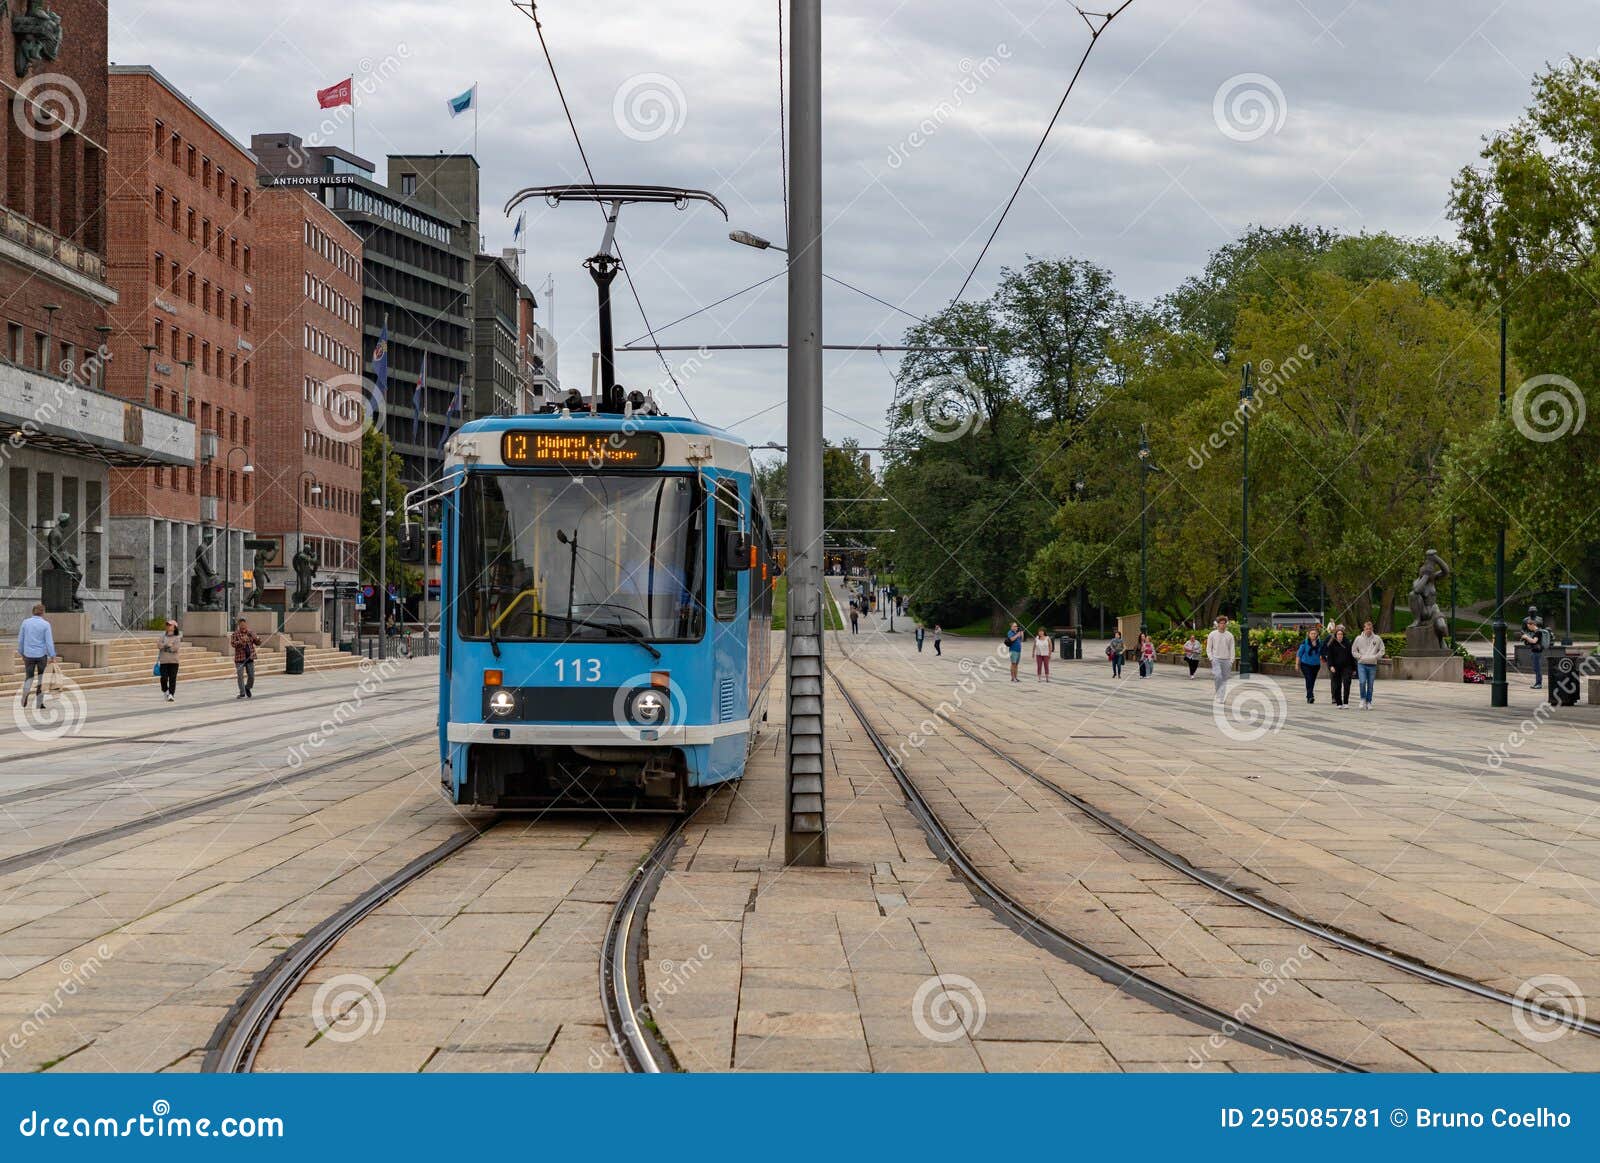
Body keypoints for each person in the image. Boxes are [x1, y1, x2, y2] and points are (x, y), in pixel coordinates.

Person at [16, 603, 59, 710]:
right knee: (41, 679)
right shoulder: (45, 624)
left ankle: (25, 693)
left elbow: (21, 639)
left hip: (28, 655)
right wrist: (52, 655)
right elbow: (49, 642)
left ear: (33, 612)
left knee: (29, 677)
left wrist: (21, 652)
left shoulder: (25, 623)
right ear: (43, 612)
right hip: (41, 656)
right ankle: (39, 703)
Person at [1351, 619, 1385, 709]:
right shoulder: (1358, 638)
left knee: (1370, 684)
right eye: (1367, 628)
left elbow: (1382, 650)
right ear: (1364, 629)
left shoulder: (1377, 638)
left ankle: (1369, 701)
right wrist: (1360, 657)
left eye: (1370, 628)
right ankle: (1362, 699)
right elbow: (1353, 651)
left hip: (1372, 664)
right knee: (1362, 682)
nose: (1368, 630)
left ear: (1372, 628)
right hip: (1362, 664)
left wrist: (1375, 657)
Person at [1324, 625, 1356, 709]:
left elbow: (1351, 656)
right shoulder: (1331, 644)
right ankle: (1339, 702)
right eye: (1338, 634)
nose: (1340, 636)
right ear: (1336, 635)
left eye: (1341, 634)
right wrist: (1331, 666)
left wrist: (1354, 668)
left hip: (1347, 667)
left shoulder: (1348, 643)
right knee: (1337, 685)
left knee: (1346, 684)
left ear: (1343, 635)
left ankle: (1346, 702)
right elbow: (1330, 657)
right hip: (1336, 667)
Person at [1205, 615, 1234, 700]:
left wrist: (1231, 661)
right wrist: (1211, 658)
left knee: (1224, 680)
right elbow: (1208, 648)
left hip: (1227, 660)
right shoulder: (1212, 634)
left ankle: (1221, 697)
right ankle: (1218, 693)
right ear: (1217, 624)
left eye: (1224, 623)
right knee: (1218, 676)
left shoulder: (1230, 635)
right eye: (1221, 623)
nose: (1223, 625)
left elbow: (1232, 649)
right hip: (1216, 659)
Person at [231, 618, 261, 700]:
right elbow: (233, 644)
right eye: (241, 624)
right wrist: (241, 641)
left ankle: (247, 687)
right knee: (240, 676)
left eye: (244, 624)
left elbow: (258, 643)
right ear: (239, 625)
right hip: (239, 658)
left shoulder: (251, 633)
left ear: (246, 624)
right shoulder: (235, 634)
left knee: (251, 676)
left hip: (250, 657)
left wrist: (257, 638)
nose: (243, 626)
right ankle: (242, 693)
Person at [1297, 625, 1324, 704]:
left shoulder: (1320, 643)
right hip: (1305, 664)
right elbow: (1299, 654)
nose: (1313, 635)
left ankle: (1309, 695)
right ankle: (1310, 696)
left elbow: (1322, 652)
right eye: (1312, 633)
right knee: (1308, 679)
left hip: (1316, 665)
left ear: (1317, 635)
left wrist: (1323, 656)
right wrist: (1297, 664)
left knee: (1312, 680)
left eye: (1315, 633)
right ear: (1308, 634)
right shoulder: (1305, 642)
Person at [157, 620, 183, 702]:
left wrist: (165, 647)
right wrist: (166, 645)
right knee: (163, 678)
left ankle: (171, 694)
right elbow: (159, 645)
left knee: (172, 678)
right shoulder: (163, 636)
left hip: (174, 661)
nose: (168, 626)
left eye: (170, 625)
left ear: (174, 627)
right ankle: (165, 690)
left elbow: (175, 648)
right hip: (163, 661)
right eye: (167, 625)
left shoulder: (177, 637)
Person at [1519, 616, 1544, 689]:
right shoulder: (1536, 632)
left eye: (1529, 627)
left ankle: (1539, 684)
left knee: (1537, 668)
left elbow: (1534, 641)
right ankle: (1537, 683)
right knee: (1536, 668)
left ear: (1532, 625)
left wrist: (1526, 637)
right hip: (1535, 652)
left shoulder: (1538, 632)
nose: (1528, 628)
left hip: (1537, 652)